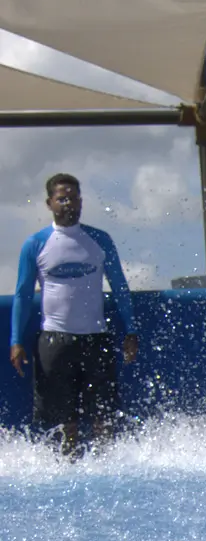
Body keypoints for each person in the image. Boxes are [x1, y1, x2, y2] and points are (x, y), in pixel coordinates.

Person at [9, 173, 138, 456]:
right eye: (62, 198)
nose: (69, 203)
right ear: (50, 203)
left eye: (74, 198)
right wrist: (15, 340)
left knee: (103, 418)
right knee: (65, 423)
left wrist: (131, 329)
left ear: (81, 201)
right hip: (55, 341)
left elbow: (120, 287)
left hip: (96, 338)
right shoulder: (35, 243)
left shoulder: (99, 240)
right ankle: (68, 468)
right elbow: (22, 295)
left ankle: (107, 468)